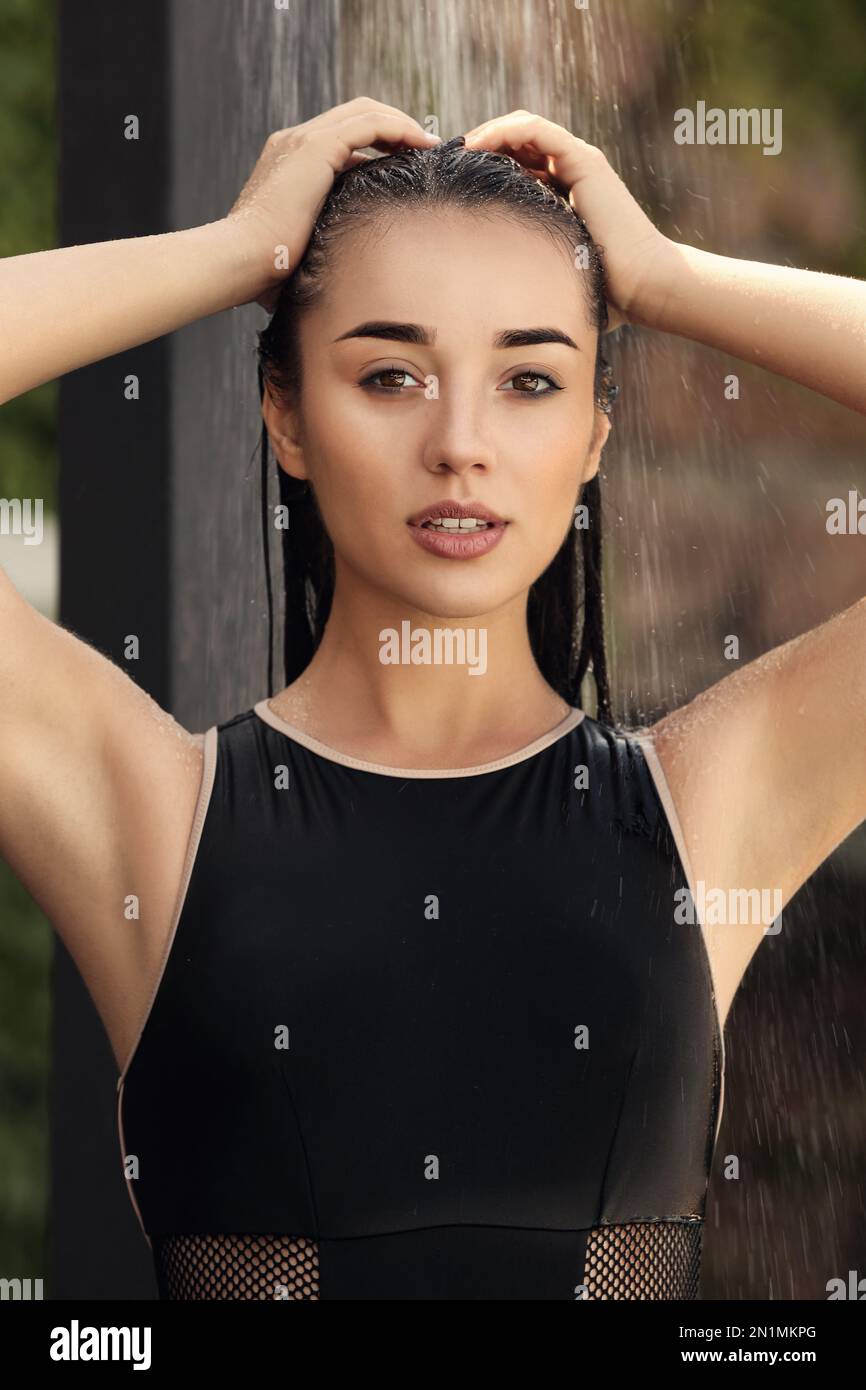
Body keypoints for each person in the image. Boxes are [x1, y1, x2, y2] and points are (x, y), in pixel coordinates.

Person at [1, 98, 864, 1300]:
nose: (459, 442)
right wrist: (236, 250)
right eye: (390, 373)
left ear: (593, 436)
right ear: (286, 412)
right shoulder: (151, 814)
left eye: (528, 378)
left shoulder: (706, 806)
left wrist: (666, 278)